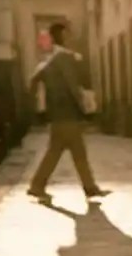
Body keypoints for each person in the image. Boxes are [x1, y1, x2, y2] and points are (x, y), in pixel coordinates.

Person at [26, 22, 108, 201]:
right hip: (67, 114)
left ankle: (39, 186)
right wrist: (85, 109)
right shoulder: (63, 57)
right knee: (72, 152)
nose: (72, 37)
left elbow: (34, 79)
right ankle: (39, 186)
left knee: (63, 151)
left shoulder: (52, 59)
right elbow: (72, 85)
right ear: (62, 36)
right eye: (68, 34)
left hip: (58, 114)